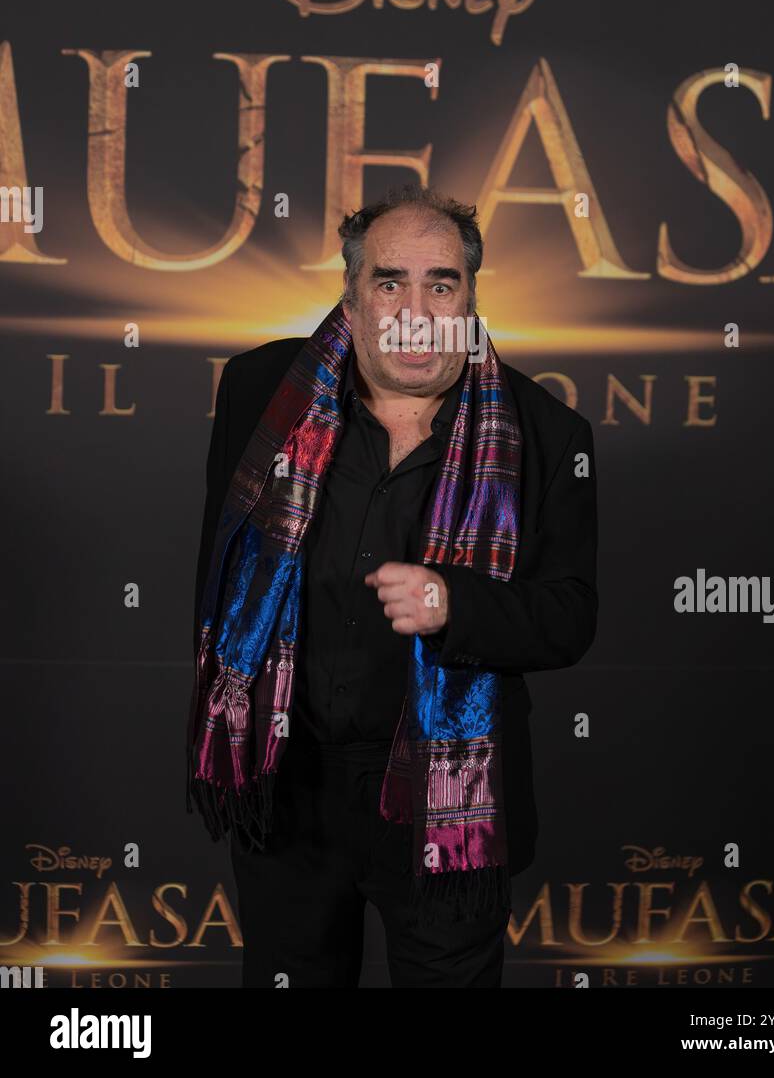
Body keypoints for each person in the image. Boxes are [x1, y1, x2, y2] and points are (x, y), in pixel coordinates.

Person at [186, 183, 598, 987]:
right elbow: (219, 576)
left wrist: (454, 604)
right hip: (287, 788)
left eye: (441, 283)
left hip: (443, 798)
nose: (416, 305)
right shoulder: (259, 394)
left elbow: (570, 616)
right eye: (389, 281)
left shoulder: (550, 434)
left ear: (470, 295)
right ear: (352, 293)